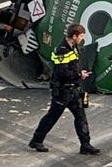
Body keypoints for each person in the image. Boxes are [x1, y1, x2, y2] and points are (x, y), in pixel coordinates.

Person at [29, 23, 100, 155]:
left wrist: (79, 74)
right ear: (74, 36)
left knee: (81, 117)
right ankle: (36, 140)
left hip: (73, 89)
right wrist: (79, 75)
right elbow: (62, 72)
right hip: (62, 91)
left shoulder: (74, 47)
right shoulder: (62, 50)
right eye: (81, 36)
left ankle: (85, 144)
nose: (82, 39)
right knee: (52, 117)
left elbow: (72, 66)